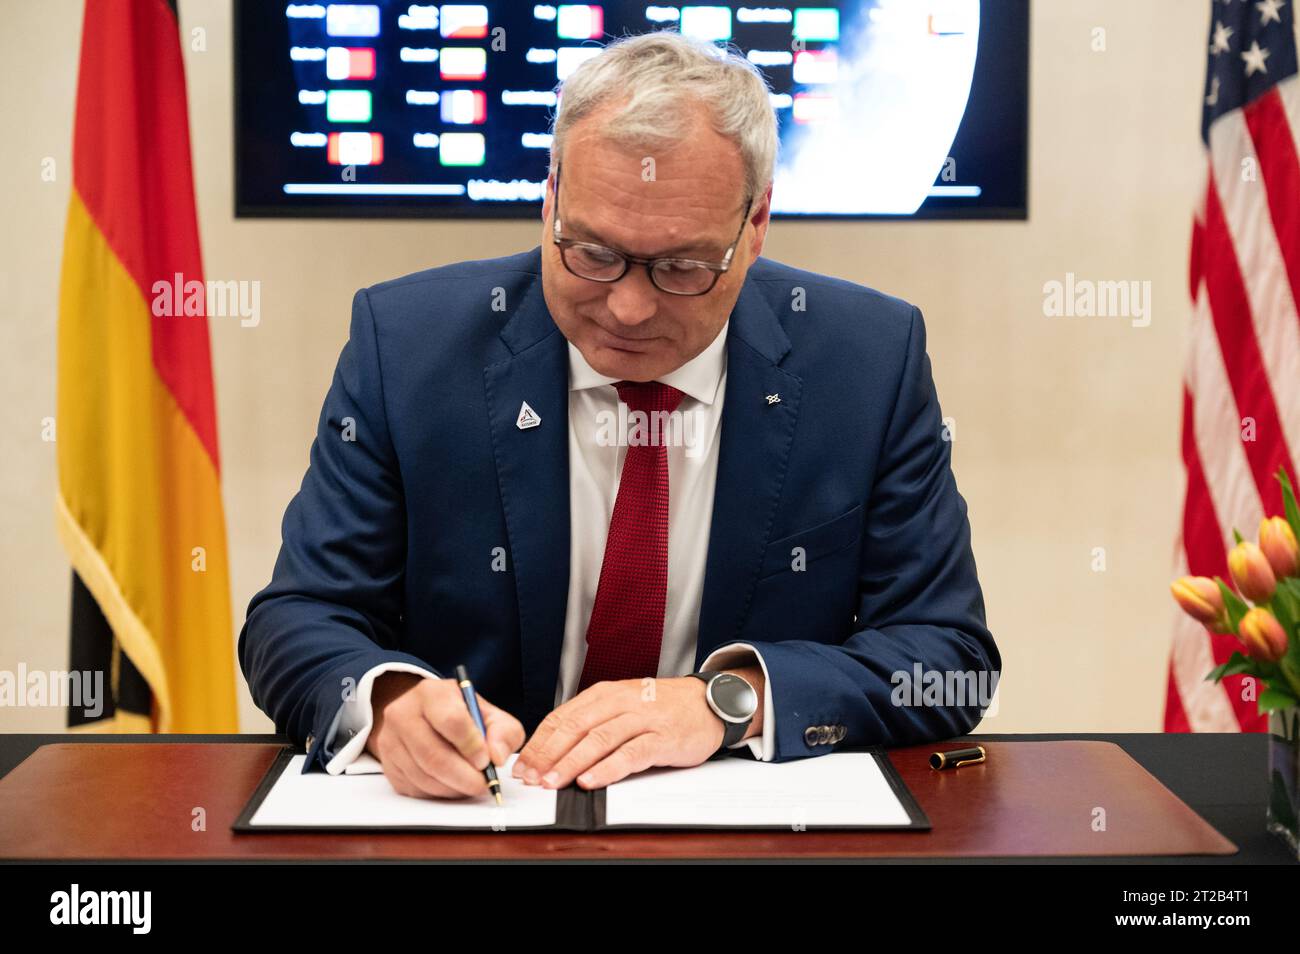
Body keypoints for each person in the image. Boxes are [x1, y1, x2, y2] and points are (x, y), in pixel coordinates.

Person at [239, 30, 1000, 799]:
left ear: (757, 224)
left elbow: (948, 659)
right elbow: (298, 618)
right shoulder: (406, 346)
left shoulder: (867, 362)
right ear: (550, 198)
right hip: (482, 824)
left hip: (752, 831)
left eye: (682, 267)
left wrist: (733, 703)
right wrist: (385, 702)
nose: (629, 309)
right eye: (593, 254)